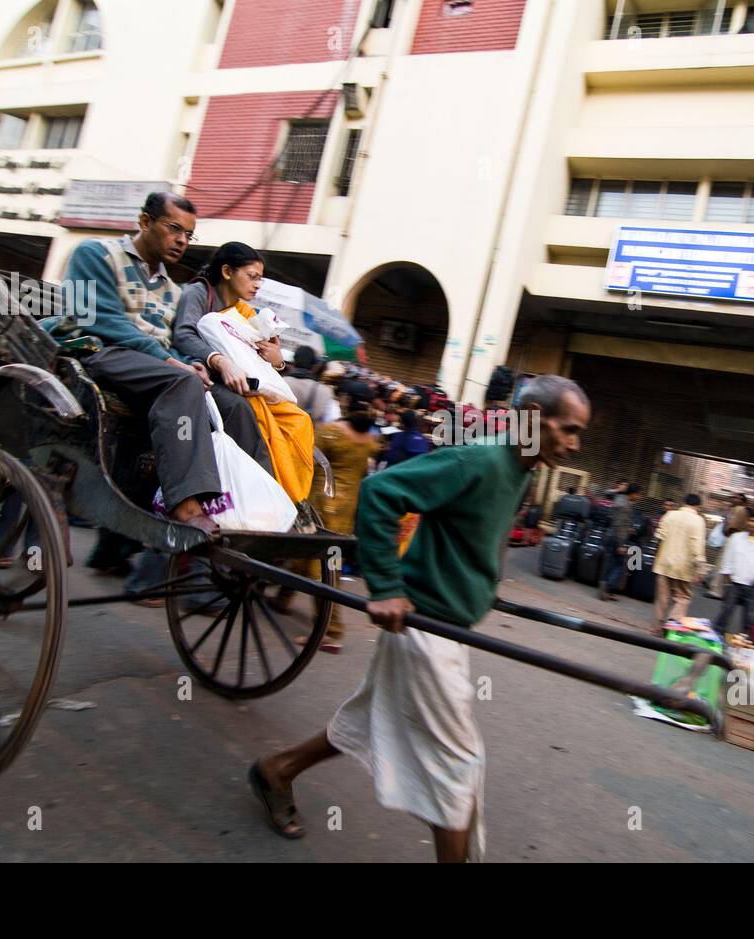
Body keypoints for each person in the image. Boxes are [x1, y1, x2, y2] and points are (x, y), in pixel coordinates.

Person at [249, 375, 591, 862]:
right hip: (425, 627)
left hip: (448, 623)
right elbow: (382, 493)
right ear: (533, 419)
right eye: (569, 430)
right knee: (456, 767)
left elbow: (470, 537)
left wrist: (478, 586)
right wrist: (386, 587)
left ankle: (277, 770)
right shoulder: (479, 459)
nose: (575, 445)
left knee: (367, 720)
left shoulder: (524, 467)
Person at [48, 192, 268, 561]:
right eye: (174, 229)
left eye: (189, 235)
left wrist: (191, 362)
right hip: (97, 354)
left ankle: (255, 506)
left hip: (152, 370)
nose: (182, 240)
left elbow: (169, 341)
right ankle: (184, 503)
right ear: (145, 222)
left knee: (235, 407)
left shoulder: (171, 289)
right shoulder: (93, 254)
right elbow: (92, 317)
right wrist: (172, 362)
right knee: (182, 381)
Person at [173, 241, 313, 503]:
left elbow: (259, 358)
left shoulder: (246, 313)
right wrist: (219, 361)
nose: (258, 284)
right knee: (244, 411)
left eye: (260, 279)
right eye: (252, 277)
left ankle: (292, 493)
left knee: (299, 421)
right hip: (203, 375)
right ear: (227, 271)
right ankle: (264, 494)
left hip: (241, 382)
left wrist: (277, 360)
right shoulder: (199, 293)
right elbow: (183, 335)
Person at [271, 397, 382, 653]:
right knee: (307, 557)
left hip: (319, 506)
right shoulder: (371, 441)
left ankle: (331, 632)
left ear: (345, 403)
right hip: (345, 511)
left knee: (318, 569)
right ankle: (283, 597)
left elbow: (305, 457)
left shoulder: (330, 432)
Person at [713, 513, 754, 637]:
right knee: (726, 611)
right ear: (747, 522)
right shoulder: (736, 538)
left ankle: (746, 643)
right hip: (735, 582)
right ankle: (716, 636)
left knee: (750, 618)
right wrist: (727, 575)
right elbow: (728, 557)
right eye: (751, 521)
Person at [652, 492, 707, 630]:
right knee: (682, 598)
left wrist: (656, 556)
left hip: (664, 563)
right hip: (684, 567)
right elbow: (697, 545)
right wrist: (700, 569)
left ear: (684, 502)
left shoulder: (669, 515)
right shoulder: (698, 520)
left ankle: (657, 627)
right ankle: (671, 626)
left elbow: (659, 537)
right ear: (698, 506)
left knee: (662, 598)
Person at [599, 483, 642, 601]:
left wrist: (629, 528)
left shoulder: (619, 499)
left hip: (612, 535)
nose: (639, 497)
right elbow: (619, 525)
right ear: (633, 494)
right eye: (638, 494)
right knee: (619, 565)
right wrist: (620, 545)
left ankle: (607, 590)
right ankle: (607, 589)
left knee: (611, 563)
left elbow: (620, 522)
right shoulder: (624, 505)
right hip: (616, 538)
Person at [284, 344, 339, 426]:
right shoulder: (325, 391)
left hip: (276, 436)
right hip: (308, 437)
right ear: (314, 365)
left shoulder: (280, 382)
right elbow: (332, 422)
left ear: (294, 361)